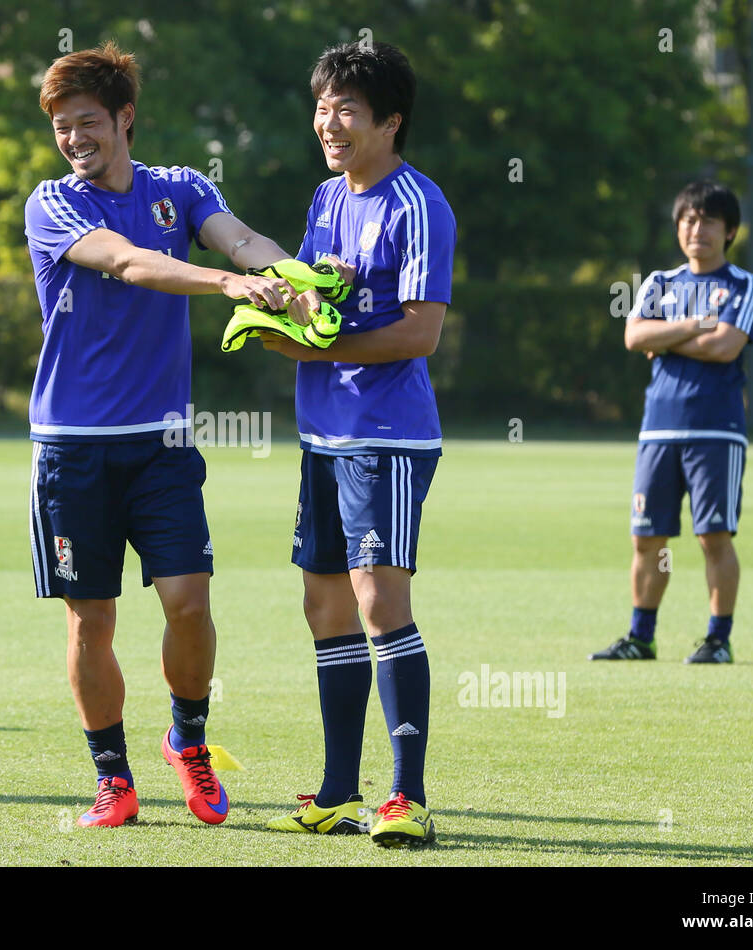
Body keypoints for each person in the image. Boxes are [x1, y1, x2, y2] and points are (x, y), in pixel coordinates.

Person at [24, 42, 301, 827]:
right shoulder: (52, 203)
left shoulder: (180, 189)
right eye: (62, 127)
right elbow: (131, 264)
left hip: (164, 445)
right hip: (72, 448)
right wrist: (229, 283)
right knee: (93, 620)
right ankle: (112, 776)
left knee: (188, 602)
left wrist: (300, 276)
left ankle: (189, 742)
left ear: (125, 118)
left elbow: (242, 240)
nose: (75, 139)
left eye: (88, 123)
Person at [258, 41, 455, 847]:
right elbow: (313, 295)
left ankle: (406, 798)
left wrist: (315, 348)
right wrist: (273, 305)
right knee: (325, 607)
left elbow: (422, 331)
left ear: (390, 121)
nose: (328, 123)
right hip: (324, 435)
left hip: (389, 438)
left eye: (346, 109)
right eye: (322, 107)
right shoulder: (326, 198)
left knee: (380, 603)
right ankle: (339, 791)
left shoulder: (418, 205)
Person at [590, 182, 753, 665]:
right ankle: (641, 637)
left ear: (729, 230)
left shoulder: (744, 285)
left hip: (716, 429)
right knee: (647, 538)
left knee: (713, 536)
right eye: (688, 219)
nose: (696, 228)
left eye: (708, 220)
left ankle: (717, 640)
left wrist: (664, 337)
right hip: (658, 429)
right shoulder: (659, 283)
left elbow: (725, 346)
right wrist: (694, 325)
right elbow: (633, 334)